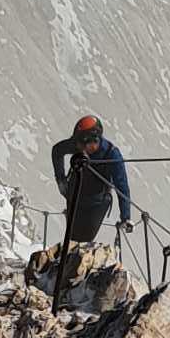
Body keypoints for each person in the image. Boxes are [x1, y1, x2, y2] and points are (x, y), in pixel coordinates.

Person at [48, 112, 132, 303]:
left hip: (96, 204)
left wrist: (126, 215)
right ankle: (65, 280)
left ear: (94, 140)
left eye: (82, 144)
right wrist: (60, 179)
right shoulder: (81, 142)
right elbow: (57, 150)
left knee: (83, 240)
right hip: (75, 197)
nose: (79, 148)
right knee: (71, 238)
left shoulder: (111, 154)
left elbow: (122, 186)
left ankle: (69, 283)